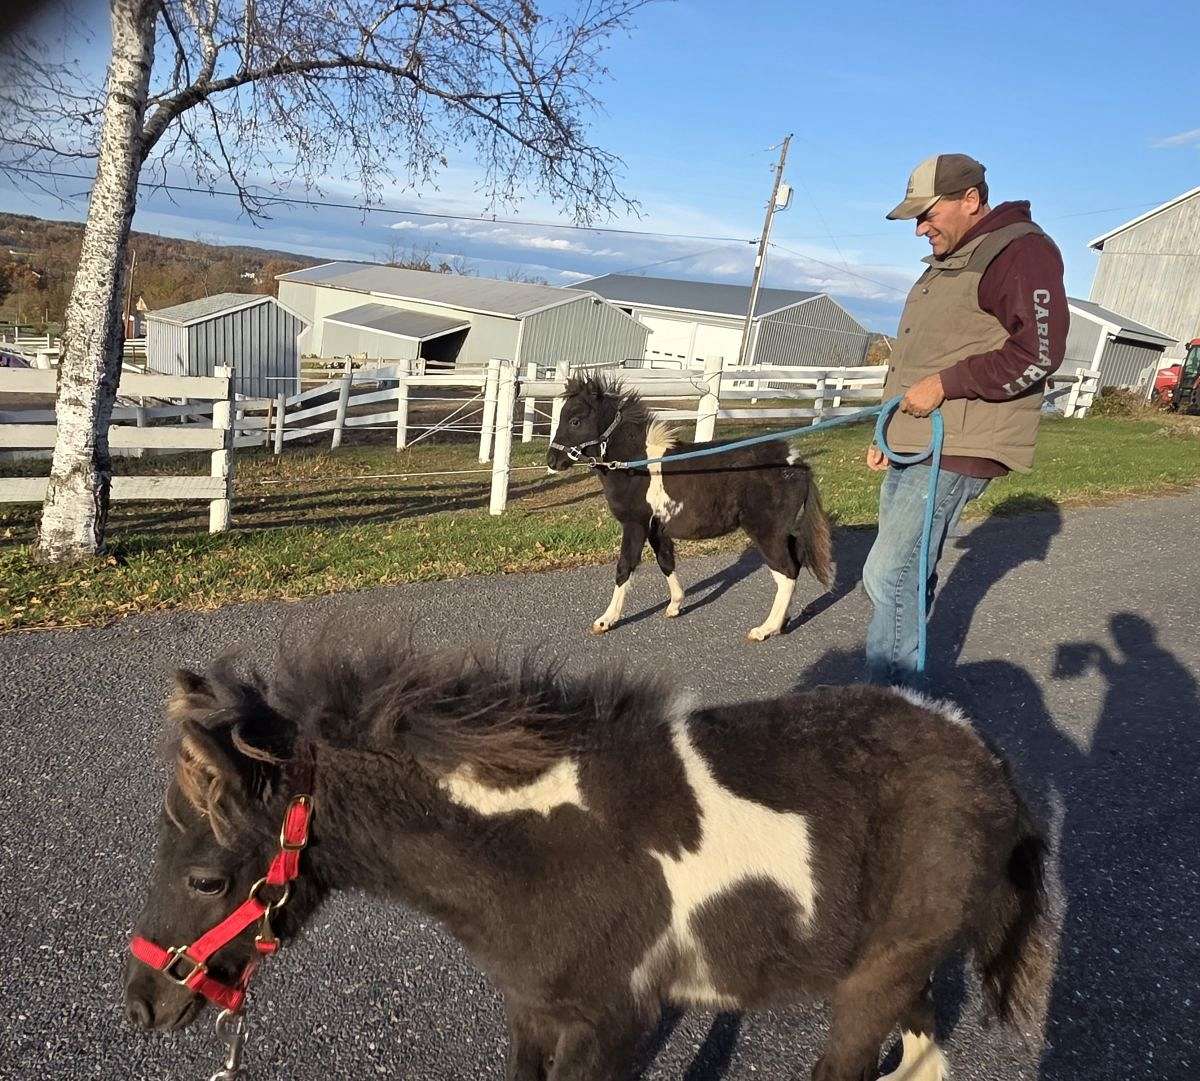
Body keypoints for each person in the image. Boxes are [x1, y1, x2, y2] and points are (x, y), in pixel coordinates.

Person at [863, 153, 1067, 686]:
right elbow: (918, 357)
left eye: (926, 214)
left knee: (889, 575)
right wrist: (886, 432)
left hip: (958, 441)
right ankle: (892, 699)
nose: (919, 228)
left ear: (970, 199)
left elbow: (1038, 352)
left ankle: (891, 712)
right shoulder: (957, 258)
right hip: (919, 441)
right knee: (901, 575)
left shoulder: (1019, 253)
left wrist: (947, 385)